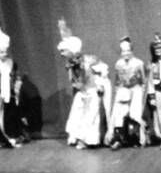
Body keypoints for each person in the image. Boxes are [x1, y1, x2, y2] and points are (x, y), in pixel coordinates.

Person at [58, 20, 111, 149]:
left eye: (64, 51)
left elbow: (101, 70)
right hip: (83, 91)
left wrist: (100, 84)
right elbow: (76, 80)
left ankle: (87, 140)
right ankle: (76, 137)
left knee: (90, 115)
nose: (62, 54)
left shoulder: (87, 61)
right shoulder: (71, 64)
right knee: (77, 113)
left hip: (91, 91)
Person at [109, 37, 147, 150]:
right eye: (123, 51)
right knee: (119, 114)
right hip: (124, 90)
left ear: (131, 51)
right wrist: (118, 91)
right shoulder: (118, 64)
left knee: (135, 114)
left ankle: (136, 139)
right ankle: (118, 139)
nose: (125, 53)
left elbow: (143, 81)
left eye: (127, 51)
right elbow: (117, 80)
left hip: (136, 90)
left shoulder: (139, 63)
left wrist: (141, 93)